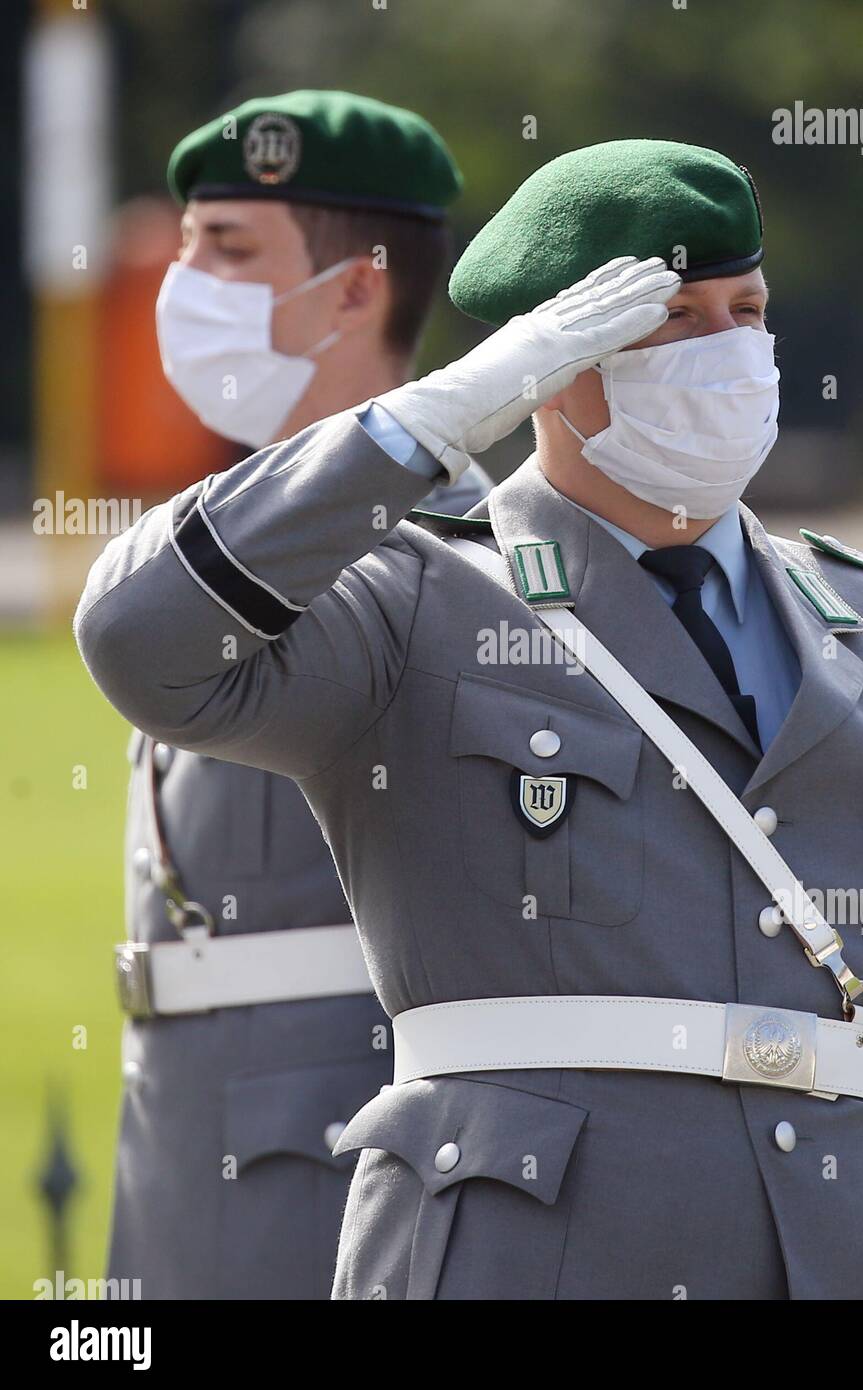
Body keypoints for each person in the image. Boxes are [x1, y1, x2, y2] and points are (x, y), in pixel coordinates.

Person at [79, 139, 863, 1300]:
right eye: (671, 319)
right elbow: (142, 637)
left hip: (858, 1267)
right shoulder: (414, 604)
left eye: (748, 310)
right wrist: (431, 418)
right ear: (549, 357)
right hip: (530, 1258)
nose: (732, 350)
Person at [106, 90, 489, 1300]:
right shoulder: (216, 538)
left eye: (227, 251)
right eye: (184, 245)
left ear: (358, 287)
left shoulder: (446, 557)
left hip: (323, 1150)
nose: (184, 285)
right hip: (185, 1129)